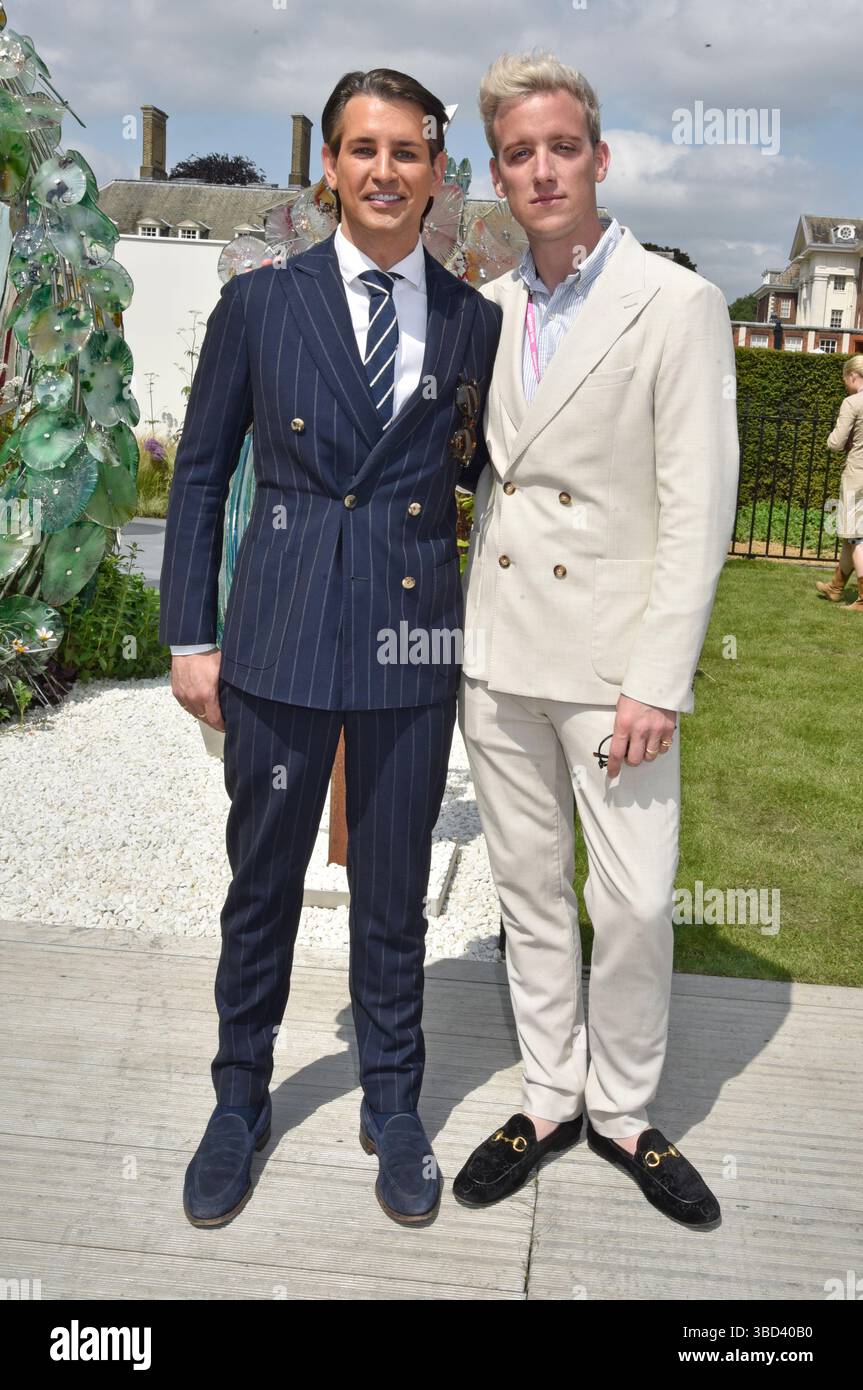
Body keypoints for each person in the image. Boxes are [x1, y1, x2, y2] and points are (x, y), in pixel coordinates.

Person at [159, 68, 501, 1228]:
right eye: (364, 148)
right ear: (331, 167)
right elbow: (199, 474)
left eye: (406, 151)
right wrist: (191, 635)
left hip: (409, 644)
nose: (384, 170)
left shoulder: (472, 320)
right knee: (260, 887)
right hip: (281, 640)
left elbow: (481, 474)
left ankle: (393, 1102)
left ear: (435, 170)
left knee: (392, 892)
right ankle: (238, 1098)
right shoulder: (261, 305)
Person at [452, 50, 739, 1228]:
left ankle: (621, 1110)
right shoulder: (485, 309)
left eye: (560, 147)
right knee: (526, 891)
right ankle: (548, 1094)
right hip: (497, 655)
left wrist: (656, 680)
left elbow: (698, 506)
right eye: (517, 153)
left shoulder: (675, 303)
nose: (541, 170)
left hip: (615, 670)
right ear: (498, 175)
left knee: (629, 903)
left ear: (599, 158)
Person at [816, 354, 863, 611]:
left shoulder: (852, 402)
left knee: (856, 537)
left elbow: (835, 442)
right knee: (851, 534)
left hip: (858, 475)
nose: (845, 383)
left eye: (845, 378)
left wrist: (835, 439)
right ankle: (835, 587)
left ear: (853, 376)